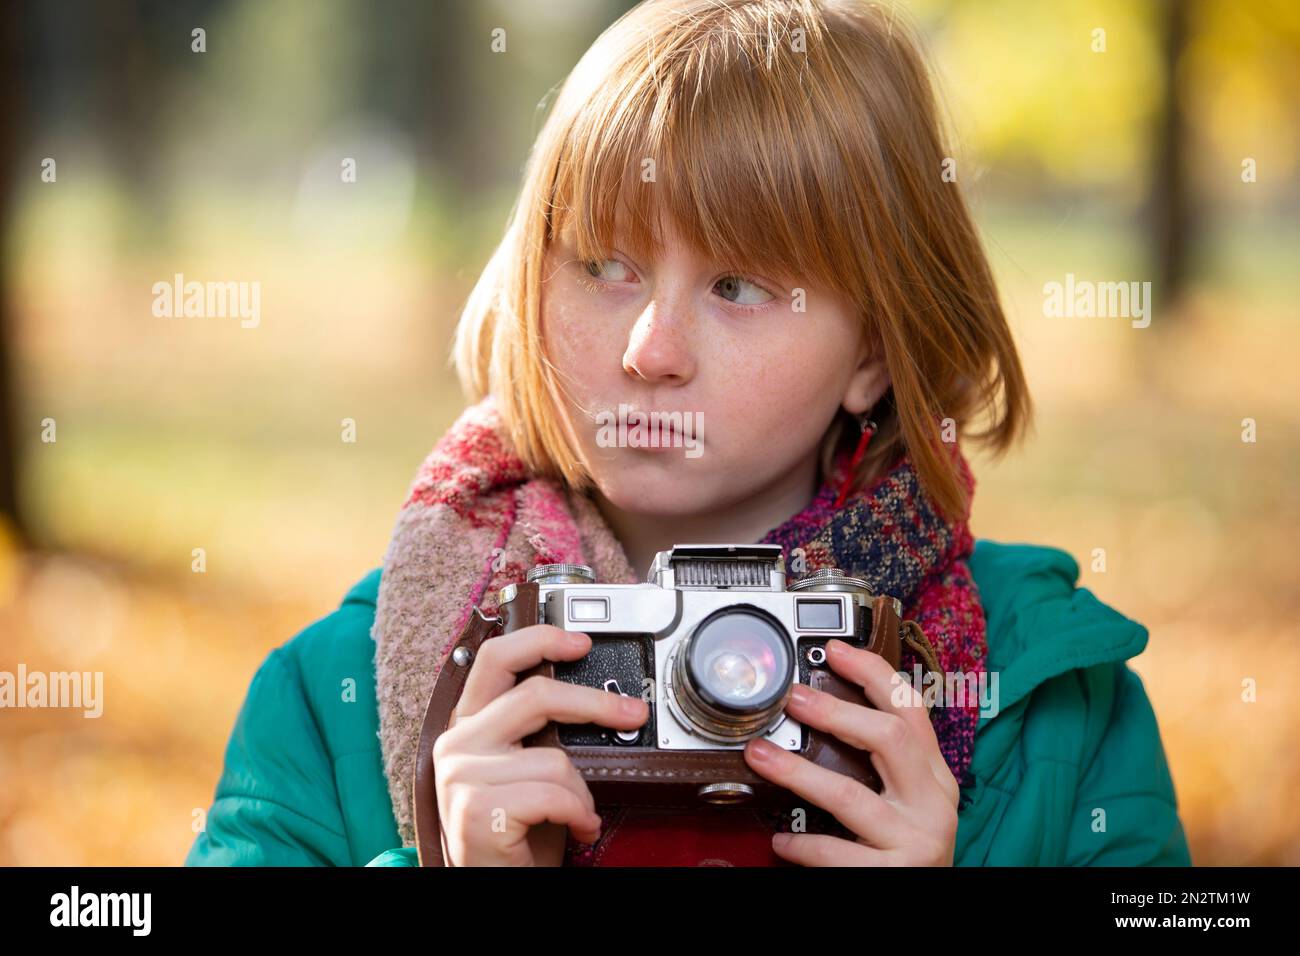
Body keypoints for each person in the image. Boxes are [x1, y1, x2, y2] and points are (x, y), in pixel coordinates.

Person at [187, 0, 1190, 867]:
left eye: (738, 285)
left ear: (873, 354)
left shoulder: (1054, 704)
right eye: (602, 265)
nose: (649, 348)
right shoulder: (333, 697)